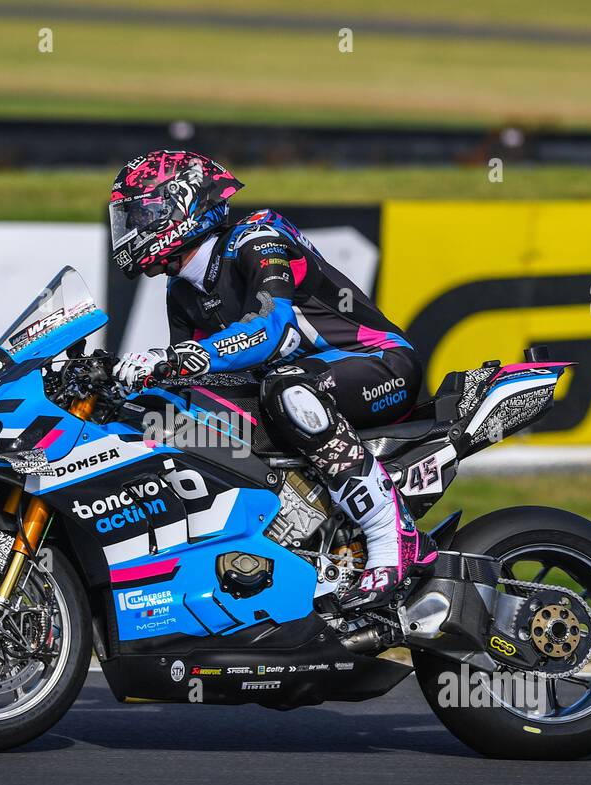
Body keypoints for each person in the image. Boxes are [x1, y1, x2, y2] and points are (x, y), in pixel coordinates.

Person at [108, 149, 436, 608]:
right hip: (303, 386)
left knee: (285, 389)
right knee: (181, 418)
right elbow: (191, 385)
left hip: (381, 365)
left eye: (142, 213)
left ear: (180, 204)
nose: (131, 228)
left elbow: (270, 328)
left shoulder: (257, 239)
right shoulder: (182, 288)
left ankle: (392, 532)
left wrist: (179, 358)